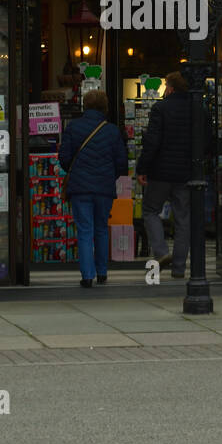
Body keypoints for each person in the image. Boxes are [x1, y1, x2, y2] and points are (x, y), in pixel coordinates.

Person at [58, 90, 127, 288]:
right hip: (104, 187)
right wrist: (108, 176)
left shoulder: (74, 127)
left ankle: (87, 275)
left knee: (85, 230)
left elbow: (63, 157)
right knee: (101, 228)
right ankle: (102, 272)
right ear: (104, 106)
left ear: (84, 105)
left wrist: (76, 170)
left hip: (80, 187)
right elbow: (121, 163)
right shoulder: (112, 130)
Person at [136, 71, 192, 277]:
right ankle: (179, 268)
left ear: (170, 88)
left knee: (150, 210)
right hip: (186, 173)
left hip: (160, 172)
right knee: (183, 218)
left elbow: (152, 142)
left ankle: (161, 252)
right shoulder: (196, 109)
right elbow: (206, 141)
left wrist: (142, 168)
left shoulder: (160, 108)